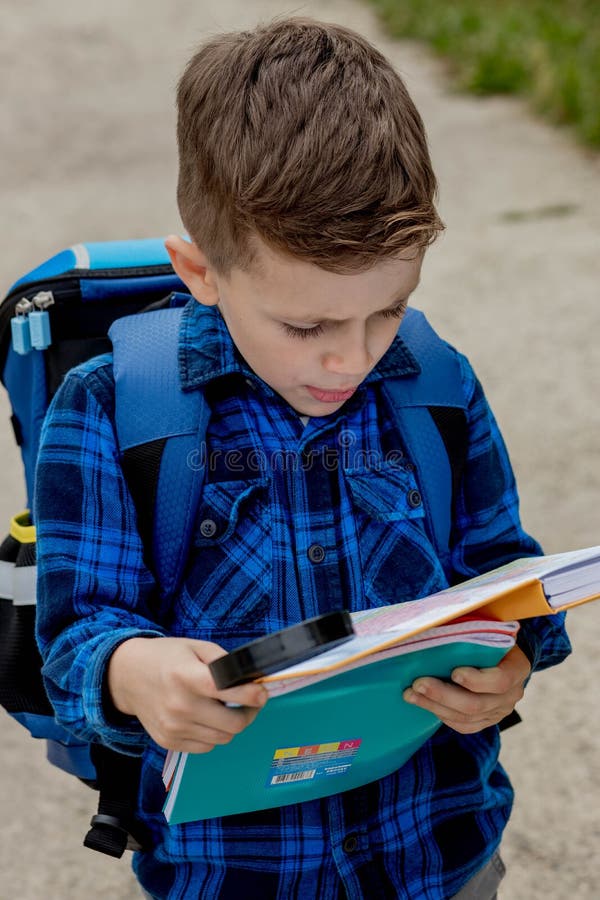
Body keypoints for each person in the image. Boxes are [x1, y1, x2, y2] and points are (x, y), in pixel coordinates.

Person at [35, 17, 571, 900]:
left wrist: (513, 658)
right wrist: (136, 673)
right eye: (306, 324)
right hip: (233, 872)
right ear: (201, 272)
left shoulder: (433, 383)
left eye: (388, 309)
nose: (351, 358)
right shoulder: (114, 407)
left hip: (437, 848)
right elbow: (75, 637)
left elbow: (500, 568)